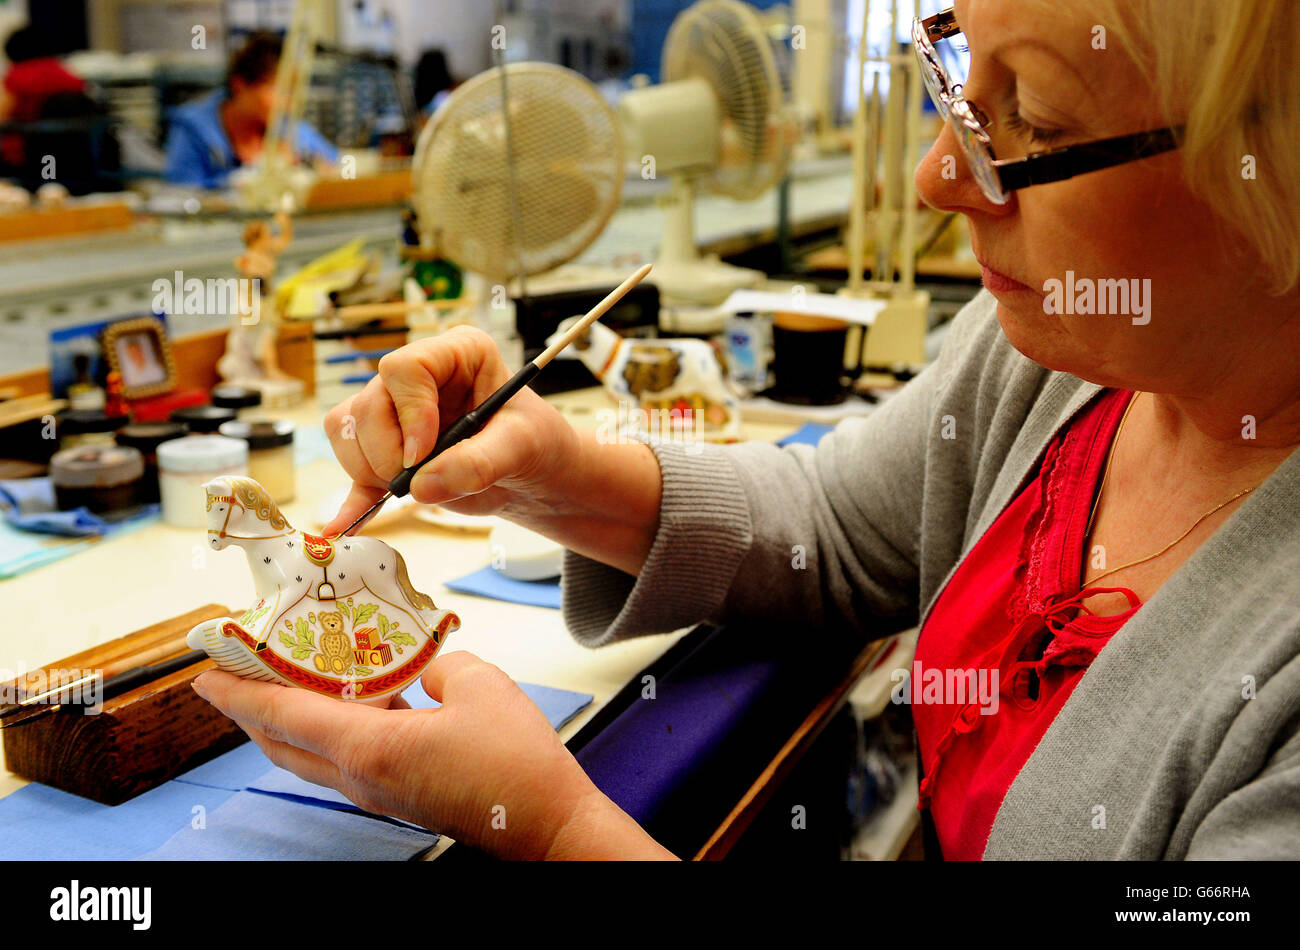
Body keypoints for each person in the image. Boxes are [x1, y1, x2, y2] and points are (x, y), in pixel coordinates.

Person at [190, 0, 1300, 860]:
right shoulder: (1058, 361)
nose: (937, 175)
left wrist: (554, 827)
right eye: (965, 82)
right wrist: (554, 468)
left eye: (1037, 122)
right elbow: (837, 523)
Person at [164, 32, 337, 189]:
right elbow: (182, 195)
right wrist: (250, 177)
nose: (289, 103)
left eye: (292, 91)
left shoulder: (289, 129)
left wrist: (313, 168)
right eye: (279, 89)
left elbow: (340, 167)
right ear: (240, 85)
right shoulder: (193, 129)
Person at [0, 25, 85, 170]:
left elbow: (2, 115)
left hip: (27, 156)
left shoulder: (17, 77)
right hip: (75, 154)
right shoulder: (68, 75)